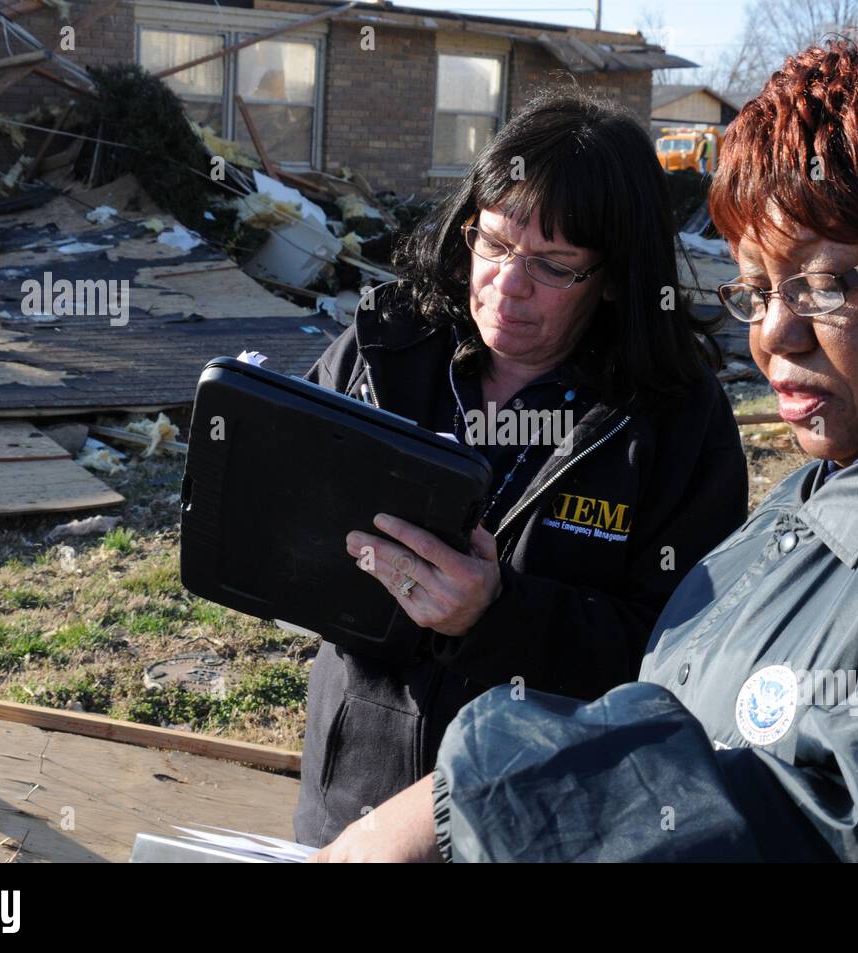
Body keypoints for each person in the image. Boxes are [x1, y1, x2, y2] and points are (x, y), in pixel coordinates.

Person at [310, 31, 858, 863]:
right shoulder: (801, 509)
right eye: (756, 290)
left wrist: (476, 801)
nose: (773, 336)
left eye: (827, 284)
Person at [293, 88, 749, 846]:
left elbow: (684, 672)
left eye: (552, 264)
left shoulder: (675, 424)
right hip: (351, 811)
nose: (507, 284)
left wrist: (500, 616)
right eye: (496, 244)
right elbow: (294, 507)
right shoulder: (387, 349)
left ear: (613, 277)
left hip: (539, 830)